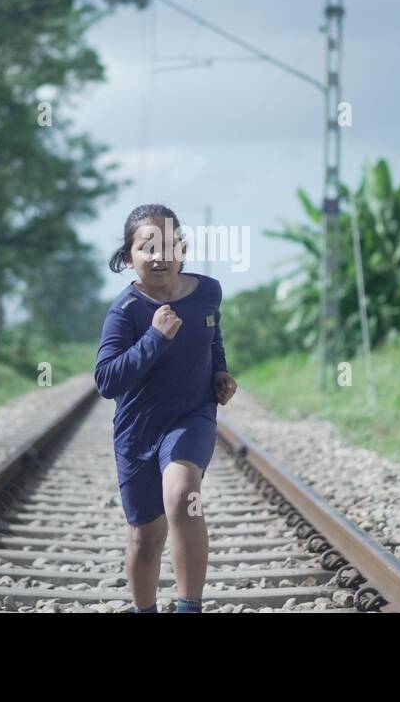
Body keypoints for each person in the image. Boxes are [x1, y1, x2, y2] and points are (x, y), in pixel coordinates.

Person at [94, 203, 238, 613]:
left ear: (183, 250)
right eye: (146, 248)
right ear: (128, 258)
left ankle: (189, 606)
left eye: (168, 245)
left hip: (191, 417)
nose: (159, 257)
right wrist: (155, 339)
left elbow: (212, 337)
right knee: (145, 539)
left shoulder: (208, 291)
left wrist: (219, 374)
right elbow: (106, 381)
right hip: (138, 431)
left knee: (181, 494)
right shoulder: (125, 311)